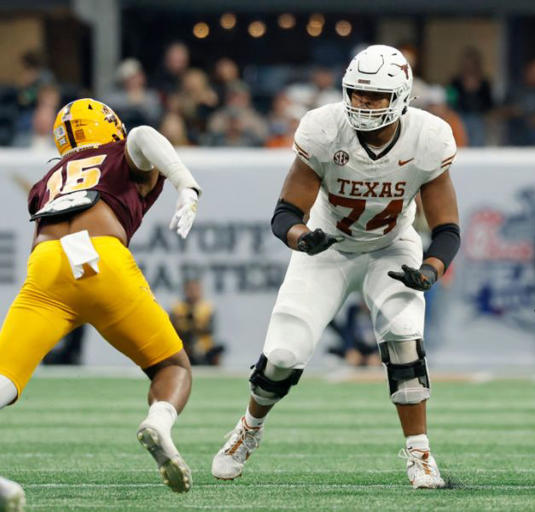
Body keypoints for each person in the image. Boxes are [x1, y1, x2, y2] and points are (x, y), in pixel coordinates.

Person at [211, 44, 460, 489]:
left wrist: (430, 269)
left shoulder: (429, 137)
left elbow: (446, 229)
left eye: (375, 96)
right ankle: (248, 429)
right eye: (356, 94)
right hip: (327, 245)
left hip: (391, 246)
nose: (363, 105)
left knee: (405, 340)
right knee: (283, 355)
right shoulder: (324, 128)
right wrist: (302, 238)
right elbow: (285, 213)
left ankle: (420, 452)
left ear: (402, 96)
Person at [0, 98, 202, 493]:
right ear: (108, 126)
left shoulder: (48, 179)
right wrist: (186, 185)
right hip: (99, 256)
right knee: (171, 368)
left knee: (5, 376)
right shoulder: (118, 151)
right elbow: (144, 135)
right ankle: (157, 423)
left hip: (45, 265)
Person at [170, 279, 225, 365]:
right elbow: (172, 328)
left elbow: (211, 329)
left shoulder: (207, 308)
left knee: (219, 348)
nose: (192, 293)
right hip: (184, 346)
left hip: (205, 347)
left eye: (195, 289)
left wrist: (196, 326)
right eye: (190, 290)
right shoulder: (177, 308)